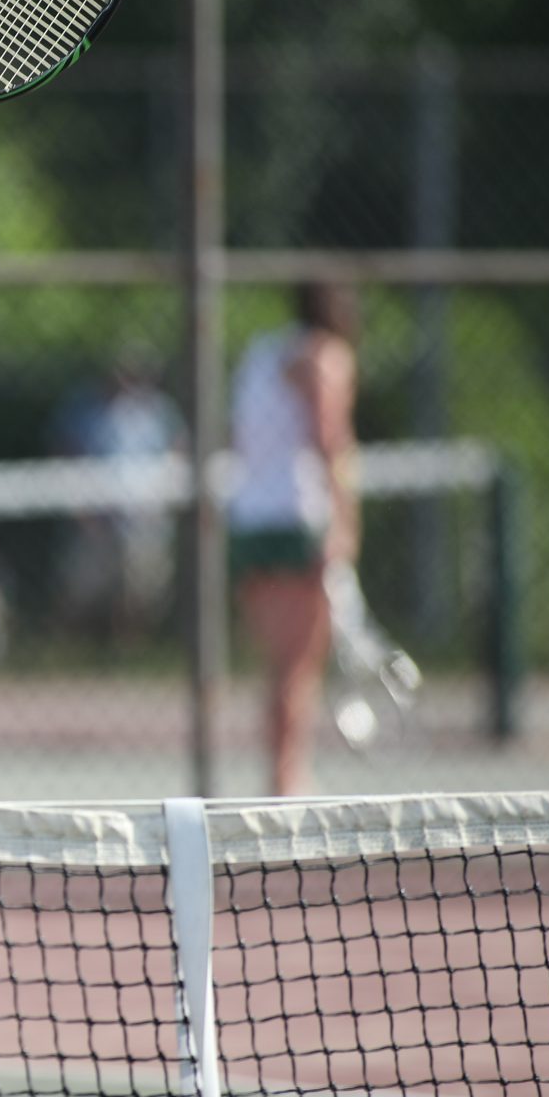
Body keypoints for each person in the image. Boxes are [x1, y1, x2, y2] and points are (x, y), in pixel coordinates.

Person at [227, 283, 360, 797]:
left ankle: (282, 778)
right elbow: (331, 441)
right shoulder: (324, 357)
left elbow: (240, 438)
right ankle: (288, 786)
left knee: (280, 668)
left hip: (251, 522)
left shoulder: (260, 354)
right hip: (297, 524)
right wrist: (344, 523)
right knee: (298, 667)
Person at [49, 348, 186, 646]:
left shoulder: (158, 410)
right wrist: (82, 509)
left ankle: (129, 648)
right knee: (82, 587)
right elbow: (68, 456)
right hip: (98, 515)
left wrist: (163, 502)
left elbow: (177, 451)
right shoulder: (86, 408)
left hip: (144, 516)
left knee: (142, 589)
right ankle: (68, 646)